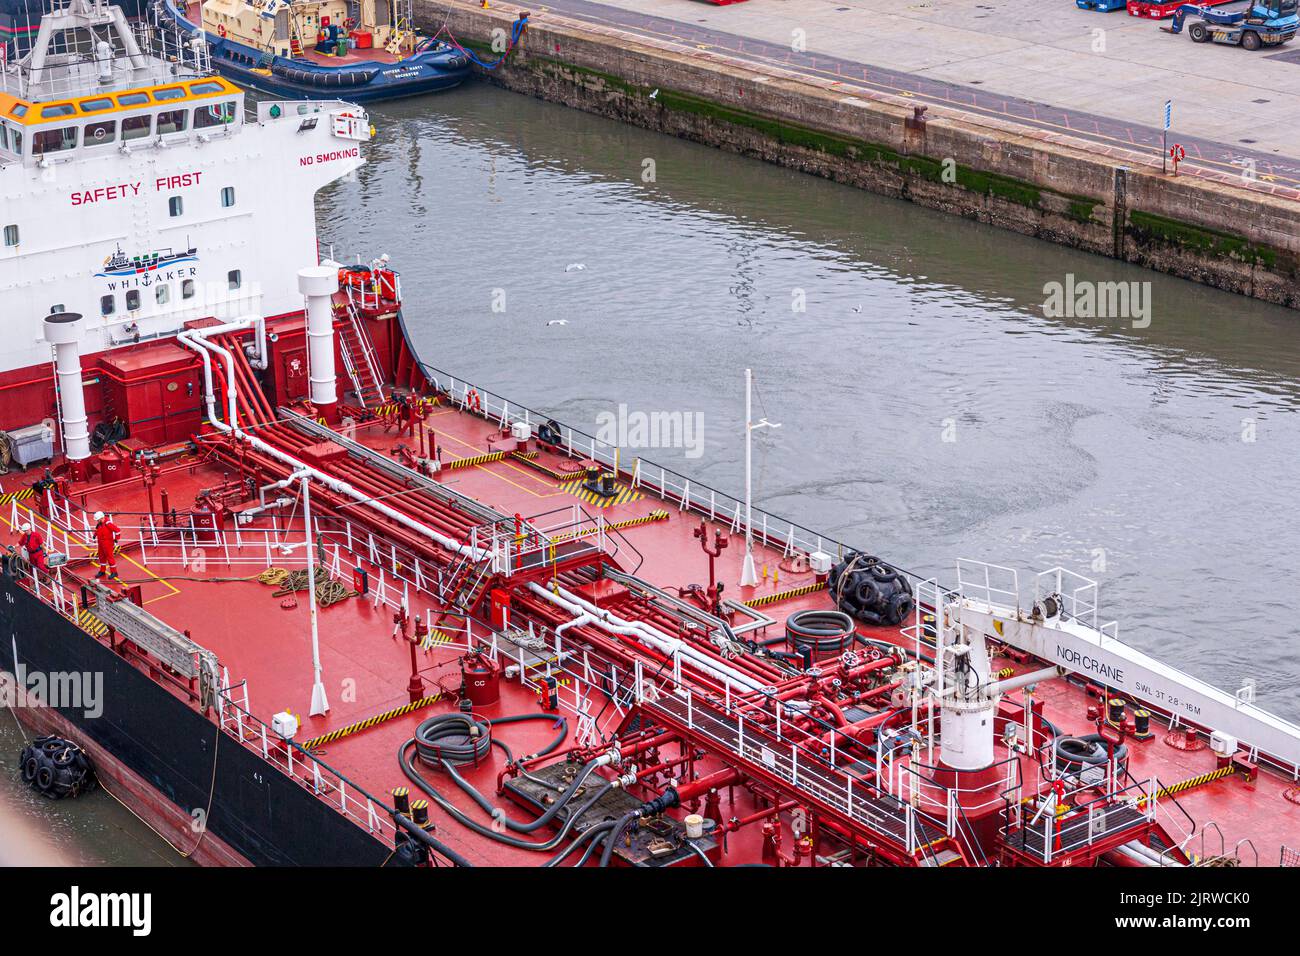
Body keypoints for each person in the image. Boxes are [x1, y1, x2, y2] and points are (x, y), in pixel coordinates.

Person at [92, 511, 121, 580]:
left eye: (97, 520)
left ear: (102, 518)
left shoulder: (108, 524)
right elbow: (97, 530)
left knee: (109, 557)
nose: (97, 521)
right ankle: (102, 571)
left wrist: (116, 539)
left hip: (108, 543)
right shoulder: (99, 524)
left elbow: (118, 530)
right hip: (101, 543)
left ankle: (114, 572)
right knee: (101, 557)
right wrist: (94, 535)